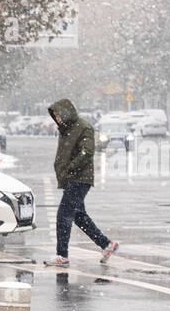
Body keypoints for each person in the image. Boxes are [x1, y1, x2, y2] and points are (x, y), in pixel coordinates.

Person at [44, 98, 119, 268]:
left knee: (63, 215)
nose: (57, 118)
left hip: (79, 178)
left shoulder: (83, 127)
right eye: (54, 116)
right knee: (77, 215)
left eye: (58, 115)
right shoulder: (66, 129)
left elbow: (87, 152)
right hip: (72, 178)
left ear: (65, 112)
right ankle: (106, 245)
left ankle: (62, 256)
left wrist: (70, 168)